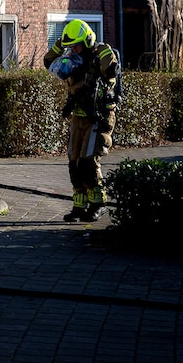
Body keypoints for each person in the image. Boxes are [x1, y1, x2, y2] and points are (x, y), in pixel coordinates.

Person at [42, 19, 121, 222]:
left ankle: (98, 203)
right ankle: (79, 206)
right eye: (71, 47)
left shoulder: (99, 57)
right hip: (78, 116)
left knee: (88, 162)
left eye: (76, 46)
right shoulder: (72, 60)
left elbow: (112, 71)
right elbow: (49, 62)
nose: (74, 50)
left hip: (98, 117)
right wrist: (61, 44)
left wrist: (104, 51)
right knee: (74, 162)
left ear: (86, 41)